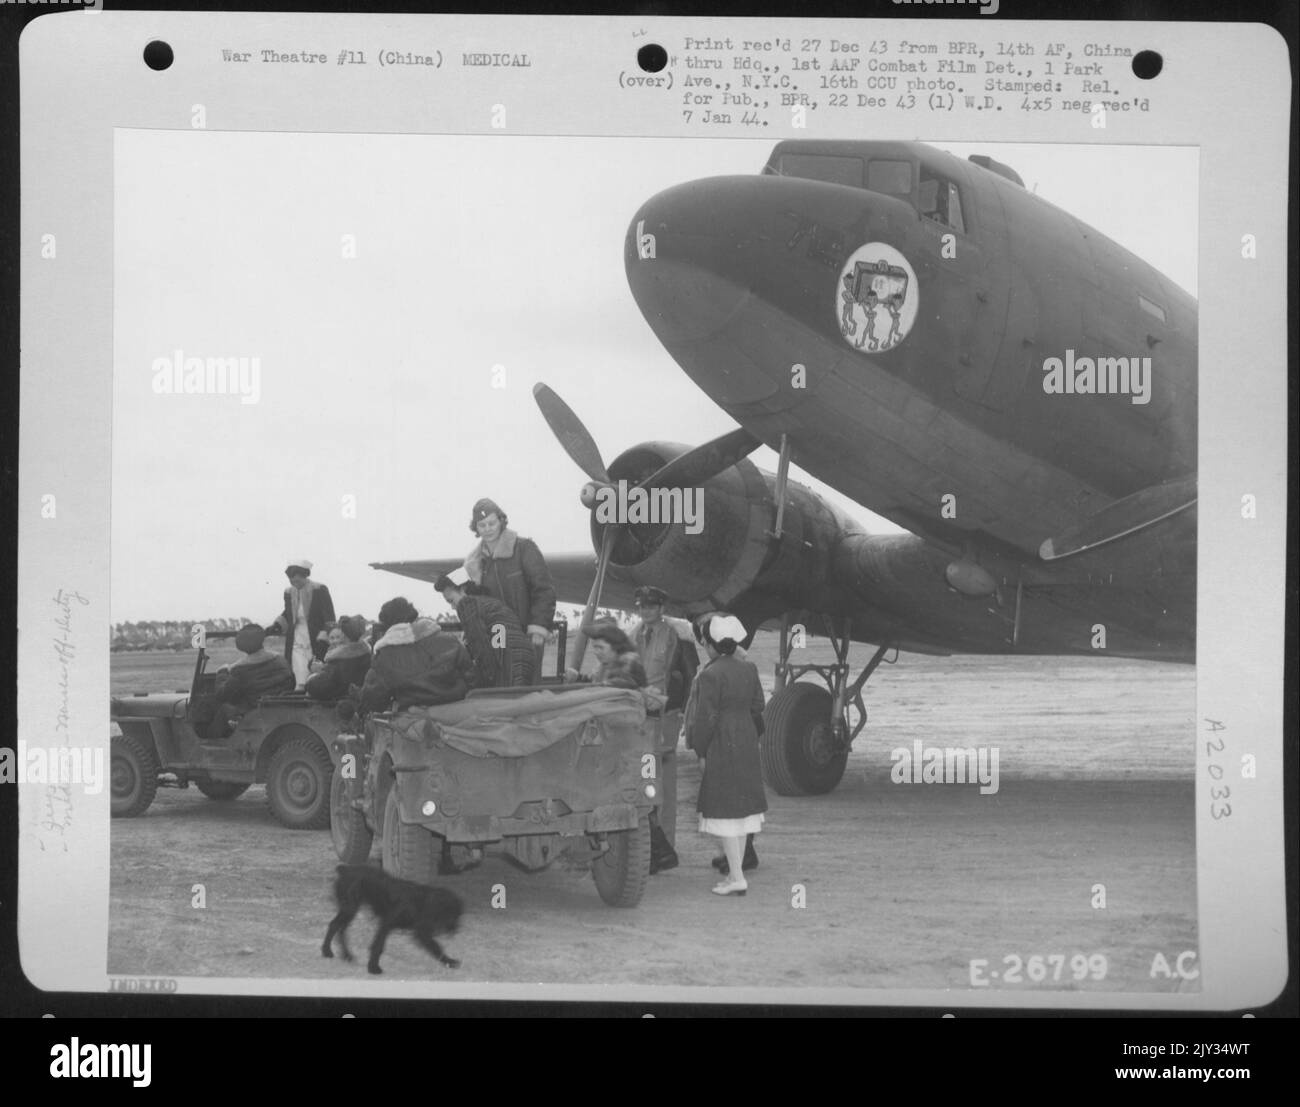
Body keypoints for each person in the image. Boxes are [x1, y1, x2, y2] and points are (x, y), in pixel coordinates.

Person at [683, 613, 767, 896]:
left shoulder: (710, 674)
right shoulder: (749, 667)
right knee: (743, 813)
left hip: (721, 740)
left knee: (726, 812)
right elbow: (758, 704)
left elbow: (705, 718)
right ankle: (736, 873)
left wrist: (700, 749)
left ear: (712, 645)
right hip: (746, 738)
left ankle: (737, 877)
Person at [630, 586, 699, 874]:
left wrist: (681, 713)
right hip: (640, 717)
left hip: (666, 717)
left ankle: (665, 848)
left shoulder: (677, 635)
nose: (646, 611)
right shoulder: (633, 635)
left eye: (651, 606)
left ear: (661, 608)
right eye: (642, 606)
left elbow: (691, 675)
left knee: (665, 786)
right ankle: (649, 847)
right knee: (644, 783)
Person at [464, 498, 556, 675]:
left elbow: (544, 589)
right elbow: (464, 594)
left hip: (527, 632)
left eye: (492, 523)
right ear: (476, 528)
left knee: (527, 686)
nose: (488, 529)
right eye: (482, 525)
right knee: (502, 683)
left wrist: (538, 627)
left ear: (501, 520)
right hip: (497, 634)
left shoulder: (524, 548)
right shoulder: (474, 562)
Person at [358, 597, 476, 714]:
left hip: (417, 723)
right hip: (459, 715)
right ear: (414, 616)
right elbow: (472, 679)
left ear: (386, 625)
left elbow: (373, 702)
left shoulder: (383, 655)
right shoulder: (449, 640)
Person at [434, 567, 536, 689]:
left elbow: (480, 643)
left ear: (463, 589)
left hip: (507, 660)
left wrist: (488, 678)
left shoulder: (467, 604)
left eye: (451, 600)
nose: (452, 607)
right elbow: (497, 637)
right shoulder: (489, 602)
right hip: (523, 658)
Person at [205, 624, 294, 739]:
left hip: (253, 714)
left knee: (224, 709)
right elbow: (292, 682)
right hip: (279, 710)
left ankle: (211, 746)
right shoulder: (281, 660)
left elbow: (221, 694)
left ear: (242, 646)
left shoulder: (240, 670)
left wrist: (222, 672)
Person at [268, 559, 335, 690]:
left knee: (315, 667)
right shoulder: (288, 592)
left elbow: (329, 616)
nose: (294, 583)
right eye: (291, 581)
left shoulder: (319, 589)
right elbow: (287, 613)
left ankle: (312, 692)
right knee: (297, 667)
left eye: (297, 580)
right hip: (296, 636)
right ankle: (300, 690)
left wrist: (325, 636)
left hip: (315, 636)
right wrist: (277, 624)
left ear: (305, 576)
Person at [305, 615, 372, 702]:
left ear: (343, 635)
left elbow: (318, 686)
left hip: (339, 706)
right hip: (358, 704)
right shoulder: (366, 655)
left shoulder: (339, 659)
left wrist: (312, 677)